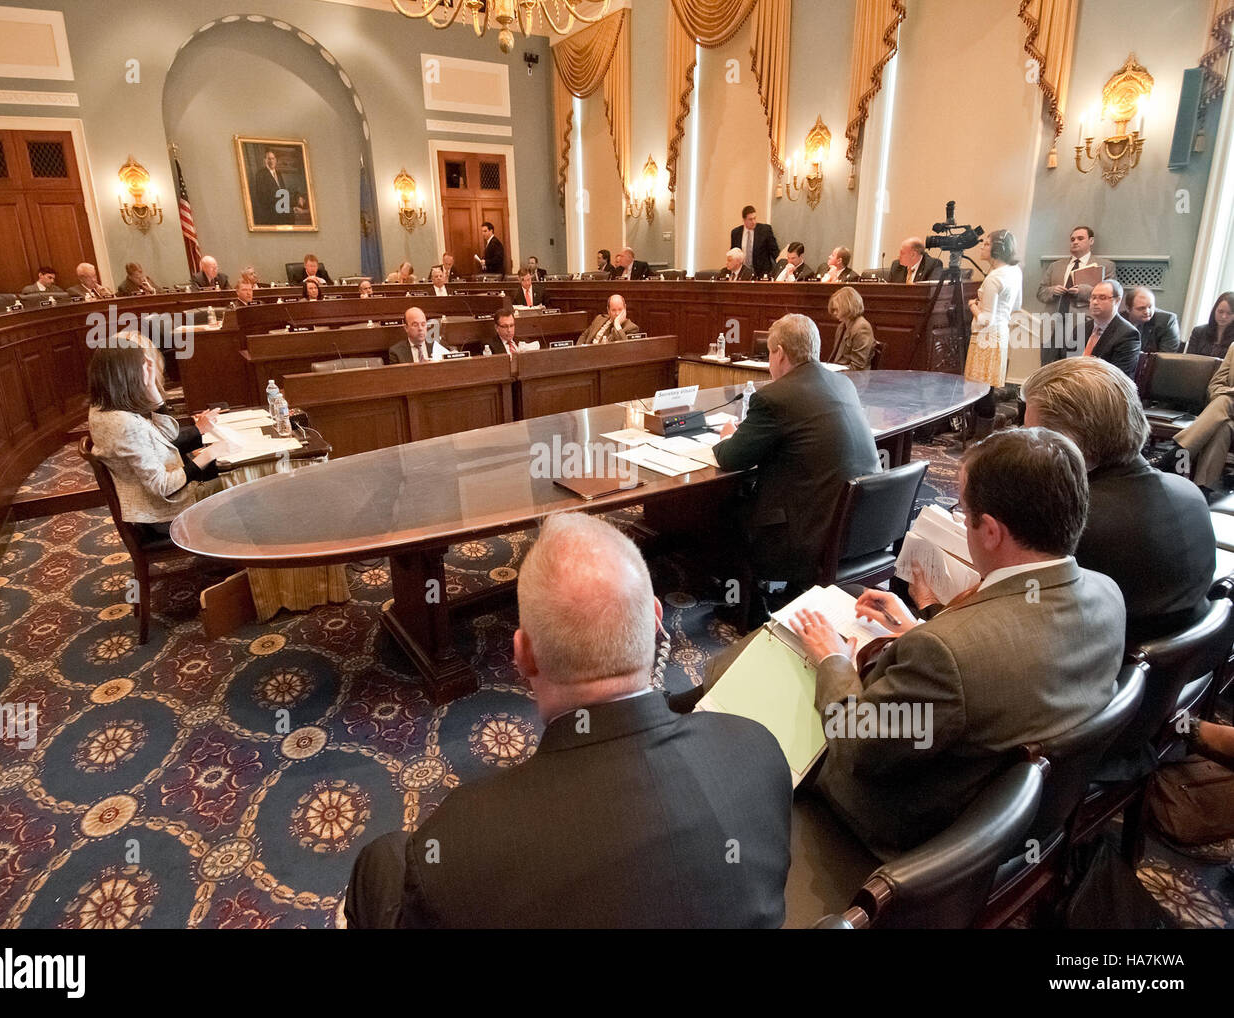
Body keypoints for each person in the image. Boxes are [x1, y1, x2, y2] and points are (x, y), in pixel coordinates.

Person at [344, 512, 792, 929]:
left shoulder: (460, 843)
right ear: (657, 619)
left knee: (381, 860)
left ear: (523, 655)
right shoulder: (758, 749)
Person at [786, 428, 1125, 858]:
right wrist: (924, 624)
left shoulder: (947, 656)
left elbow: (856, 742)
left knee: (769, 690)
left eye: (964, 513)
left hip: (916, 833)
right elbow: (999, 659)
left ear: (991, 533)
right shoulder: (1109, 594)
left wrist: (833, 660)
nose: (962, 521)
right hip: (1029, 812)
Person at [1021, 357, 1215, 641]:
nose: (1027, 444)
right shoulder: (1191, 494)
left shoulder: (1072, 525)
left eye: (1032, 434)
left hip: (1108, 675)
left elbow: (1025, 619)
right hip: (1191, 669)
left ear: (1069, 438)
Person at [713, 314, 880, 609]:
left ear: (779, 353)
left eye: (769, 354)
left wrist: (727, 436)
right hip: (863, 524)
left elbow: (731, 458)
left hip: (810, 536)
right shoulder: (844, 384)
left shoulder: (774, 397)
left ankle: (741, 607)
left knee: (723, 509)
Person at [86, 339, 231, 539]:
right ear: (128, 374)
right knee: (240, 485)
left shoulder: (102, 409)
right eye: (144, 366)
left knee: (230, 477)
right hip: (166, 515)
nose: (151, 370)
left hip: (154, 507)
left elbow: (167, 436)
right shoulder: (125, 423)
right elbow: (162, 486)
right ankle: (240, 557)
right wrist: (210, 453)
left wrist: (154, 393)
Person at [962, 229, 1022, 442]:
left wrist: (972, 306)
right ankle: (979, 437)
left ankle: (980, 438)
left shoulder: (994, 278)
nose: (982, 247)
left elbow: (985, 319)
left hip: (985, 336)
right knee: (986, 388)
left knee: (981, 390)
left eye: (986, 244)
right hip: (1000, 334)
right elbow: (1017, 305)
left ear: (997, 249)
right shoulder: (1015, 271)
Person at [1036, 225, 1116, 364]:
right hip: (1053, 326)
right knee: (1047, 370)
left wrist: (1083, 291)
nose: (1075, 242)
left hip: (1081, 327)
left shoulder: (1105, 266)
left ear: (1091, 241)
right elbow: (1040, 293)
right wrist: (1052, 291)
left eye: (1080, 238)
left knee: (1073, 370)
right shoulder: (1056, 266)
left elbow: (1110, 296)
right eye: (1072, 239)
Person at [1165, 341, 1234, 495]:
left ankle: (1177, 453)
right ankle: (1202, 491)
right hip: (1229, 415)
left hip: (1226, 406)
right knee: (1222, 427)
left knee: (1224, 402)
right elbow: (1215, 386)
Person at [1081, 279, 1141, 378]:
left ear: (1117, 301)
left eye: (1102, 297)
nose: (1095, 302)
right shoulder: (1081, 328)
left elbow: (1118, 377)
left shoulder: (1128, 334)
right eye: (1093, 297)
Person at [827, 286, 877, 370]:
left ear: (847, 307)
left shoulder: (862, 328)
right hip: (841, 374)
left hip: (855, 378)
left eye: (836, 309)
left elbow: (858, 367)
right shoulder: (842, 326)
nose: (834, 313)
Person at [730, 205, 780, 280]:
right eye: (750, 219)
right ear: (744, 220)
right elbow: (734, 254)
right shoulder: (736, 233)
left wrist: (780, 267)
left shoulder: (765, 230)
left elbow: (774, 251)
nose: (753, 222)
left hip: (762, 273)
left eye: (754, 218)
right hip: (743, 274)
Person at [1126, 286, 1180, 354]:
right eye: (1141, 308)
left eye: (1150, 307)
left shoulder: (1167, 321)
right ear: (1128, 309)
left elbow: (1166, 358)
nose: (1147, 312)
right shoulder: (1120, 320)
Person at [1186, 292, 1234, 359]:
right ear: (1214, 310)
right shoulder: (1198, 332)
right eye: (1220, 312)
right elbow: (1188, 360)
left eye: (1229, 313)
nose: (1223, 316)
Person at [250, 148, 288, 226]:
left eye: (273, 159)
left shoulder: (278, 174)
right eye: (269, 159)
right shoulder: (260, 174)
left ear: (276, 160)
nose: (271, 161)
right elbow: (262, 196)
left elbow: (283, 191)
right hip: (269, 213)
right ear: (265, 160)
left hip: (281, 212)